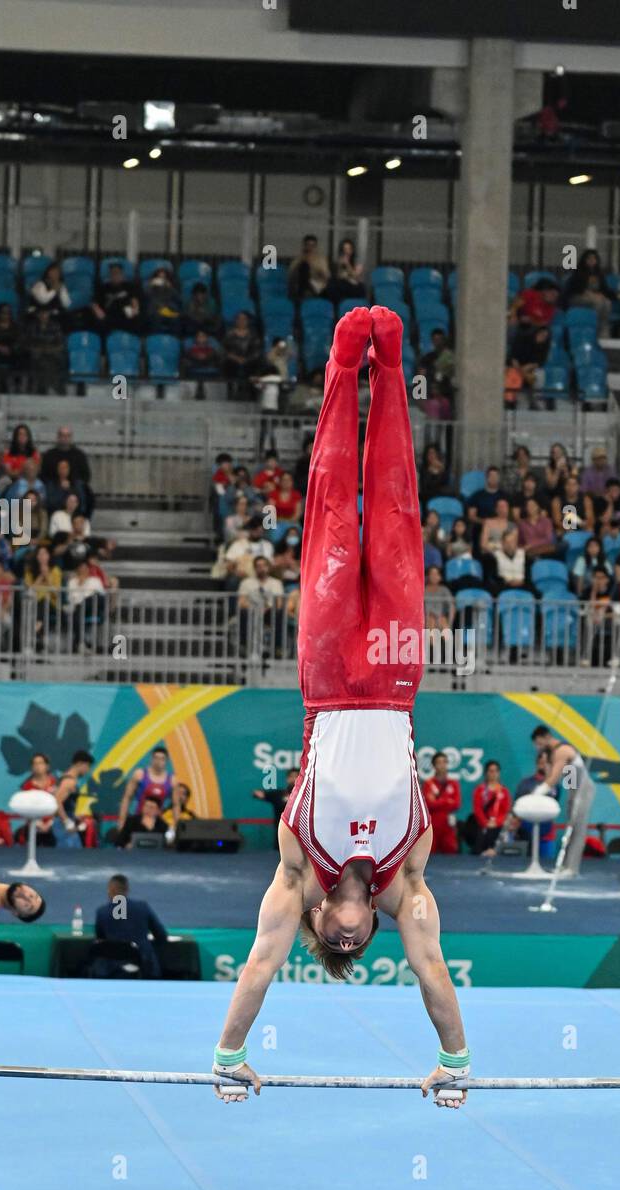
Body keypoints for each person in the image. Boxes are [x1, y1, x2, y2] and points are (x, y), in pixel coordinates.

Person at [212, 306, 470, 1107]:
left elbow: (259, 964)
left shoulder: (297, 875)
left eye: (339, 942)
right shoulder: (411, 883)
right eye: (360, 942)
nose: (353, 937)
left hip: (327, 680)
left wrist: (228, 1055)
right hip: (394, 681)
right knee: (393, 514)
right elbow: (430, 971)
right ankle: (388, 366)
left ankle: (340, 365)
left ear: (321, 922)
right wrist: (455, 1064)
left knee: (329, 512)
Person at [94, 873, 169, 978]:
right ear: (127, 889)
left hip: (112, 970)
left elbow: (100, 940)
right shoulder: (143, 907)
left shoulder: (102, 912)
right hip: (144, 967)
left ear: (110, 890)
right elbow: (161, 936)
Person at [117, 746, 181, 832]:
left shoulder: (173, 780)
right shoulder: (139, 774)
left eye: (162, 759)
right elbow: (126, 798)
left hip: (157, 823)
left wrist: (178, 827)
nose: (158, 761)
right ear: (152, 759)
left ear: (166, 761)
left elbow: (176, 805)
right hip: (137, 819)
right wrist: (121, 821)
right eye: (156, 758)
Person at [467, 760, 512, 857]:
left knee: (503, 831)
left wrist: (497, 823)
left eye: (496, 771)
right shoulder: (480, 790)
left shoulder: (504, 791)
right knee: (482, 835)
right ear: (486, 773)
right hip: (483, 825)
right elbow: (477, 809)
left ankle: (494, 850)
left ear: (499, 773)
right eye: (491, 771)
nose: (493, 774)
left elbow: (505, 811)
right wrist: (486, 823)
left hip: (498, 825)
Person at [422, 752, 461, 855]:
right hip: (433, 824)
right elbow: (429, 805)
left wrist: (438, 801)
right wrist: (447, 801)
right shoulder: (428, 784)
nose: (442, 765)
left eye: (444, 762)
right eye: (439, 762)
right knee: (430, 854)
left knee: (451, 853)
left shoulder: (453, 784)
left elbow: (456, 804)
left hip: (448, 825)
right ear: (434, 766)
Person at [253, 768, 300, 850]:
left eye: (296, 776)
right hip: (282, 834)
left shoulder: (306, 796)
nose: (293, 779)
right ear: (287, 779)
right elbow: (258, 793)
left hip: (300, 836)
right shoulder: (278, 794)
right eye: (291, 777)